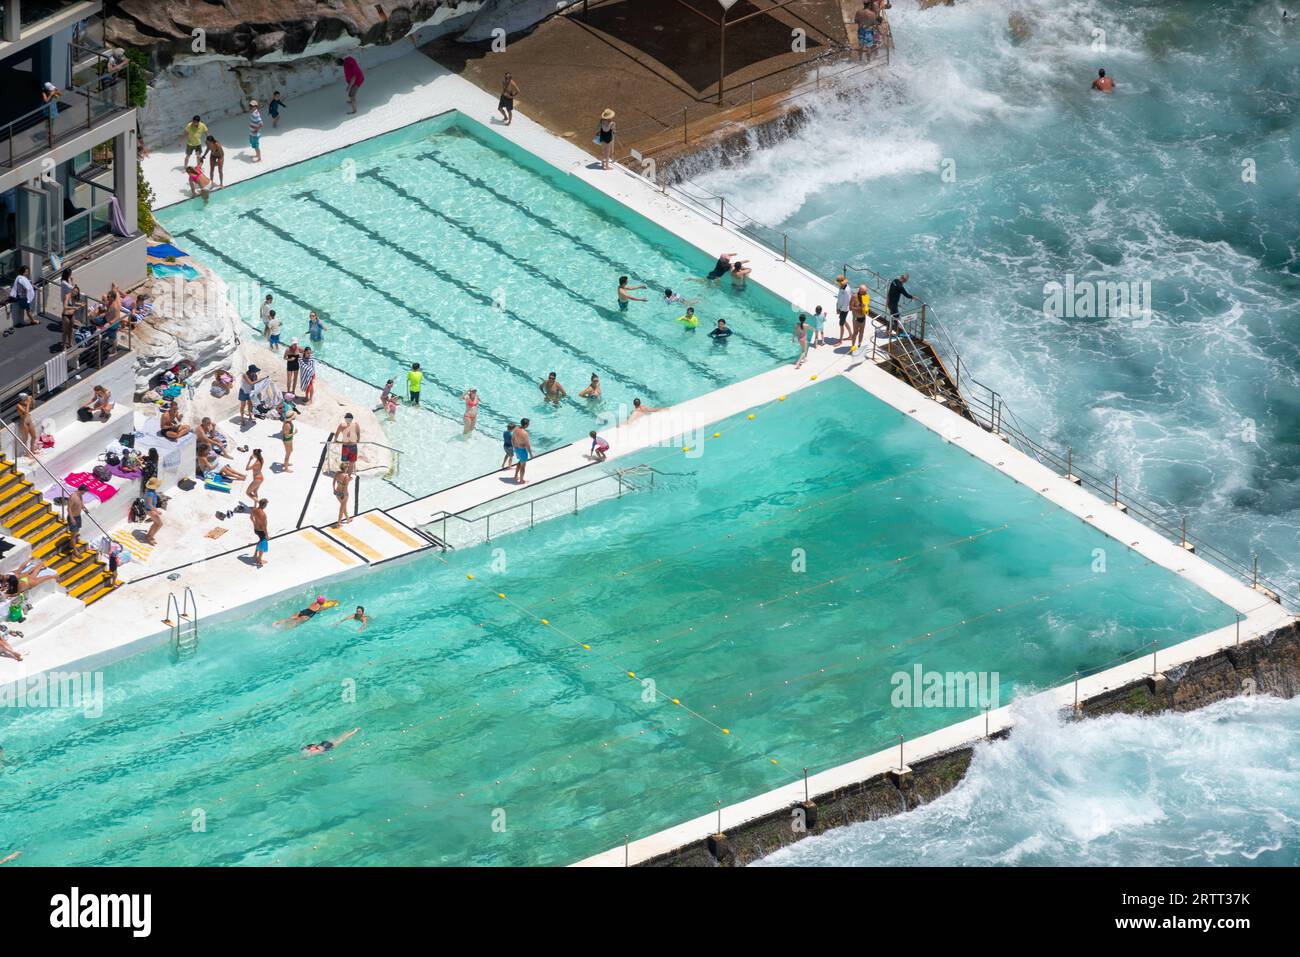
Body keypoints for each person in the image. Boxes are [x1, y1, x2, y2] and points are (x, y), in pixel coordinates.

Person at [15, 393, 38, 458]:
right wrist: (28, 403)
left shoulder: (25, 402)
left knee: (34, 436)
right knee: (25, 439)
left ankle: (32, 450)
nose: (25, 401)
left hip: (29, 421)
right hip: (24, 423)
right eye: (24, 399)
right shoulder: (18, 405)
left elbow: (34, 403)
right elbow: (26, 413)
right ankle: (27, 453)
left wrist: (31, 399)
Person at [143, 477, 164, 546]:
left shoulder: (149, 490)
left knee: (156, 523)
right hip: (150, 510)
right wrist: (157, 511)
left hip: (150, 509)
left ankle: (149, 535)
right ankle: (150, 537)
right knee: (159, 524)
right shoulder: (150, 493)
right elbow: (150, 504)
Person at [850, 283, 870, 352]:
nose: (865, 293)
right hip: (856, 318)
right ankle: (853, 347)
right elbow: (850, 307)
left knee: (861, 332)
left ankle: (859, 345)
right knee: (855, 333)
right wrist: (859, 308)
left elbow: (866, 306)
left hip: (863, 317)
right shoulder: (854, 296)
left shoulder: (866, 296)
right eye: (864, 292)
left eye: (866, 292)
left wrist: (866, 308)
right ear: (860, 291)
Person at [511, 419, 532, 484]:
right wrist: (531, 454)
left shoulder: (515, 429)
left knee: (520, 461)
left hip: (517, 449)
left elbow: (512, 439)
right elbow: (528, 445)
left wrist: (514, 447)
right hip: (522, 450)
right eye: (528, 424)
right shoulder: (525, 433)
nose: (528, 425)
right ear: (526, 425)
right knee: (523, 466)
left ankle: (515, 476)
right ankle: (521, 480)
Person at [250, 498, 269, 567]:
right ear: (264, 505)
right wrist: (266, 535)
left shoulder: (254, 510)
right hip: (261, 531)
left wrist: (254, 523)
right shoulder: (263, 514)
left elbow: (251, 517)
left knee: (260, 541)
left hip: (256, 529)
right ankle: (259, 560)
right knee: (263, 543)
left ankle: (255, 554)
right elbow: (264, 527)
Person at [834, 275, 852, 344]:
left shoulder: (846, 291)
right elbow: (839, 299)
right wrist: (837, 307)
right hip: (841, 308)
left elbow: (846, 303)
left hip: (844, 310)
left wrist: (840, 310)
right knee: (844, 321)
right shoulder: (841, 287)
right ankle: (850, 335)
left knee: (841, 325)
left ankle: (840, 341)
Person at [280, 408, 296, 472]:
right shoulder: (288, 425)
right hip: (287, 440)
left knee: (290, 450)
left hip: (289, 439)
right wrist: (294, 433)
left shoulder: (288, 422)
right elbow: (286, 435)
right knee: (288, 453)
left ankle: (286, 463)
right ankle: (286, 468)